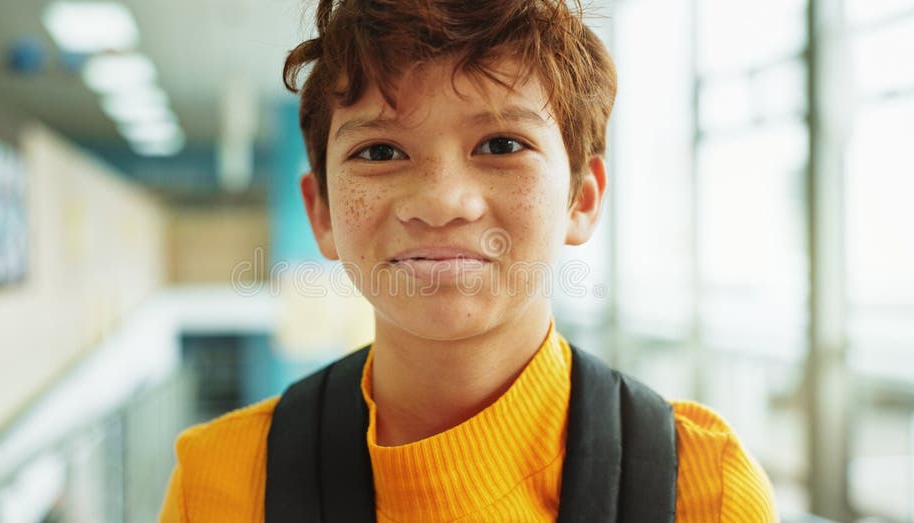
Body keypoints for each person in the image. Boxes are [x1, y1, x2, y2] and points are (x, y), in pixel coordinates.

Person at [160, 0, 778, 521]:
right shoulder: (221, 483)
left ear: (582, 199)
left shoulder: (700, 489)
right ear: (321, 211)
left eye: (502, 144)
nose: (440, 202)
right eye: (379, 151)